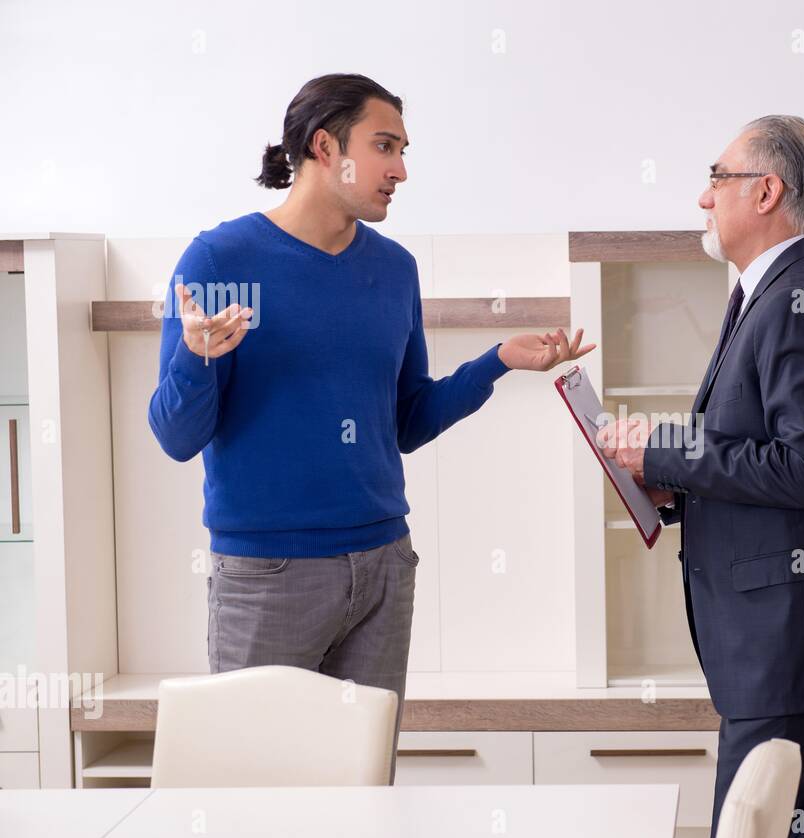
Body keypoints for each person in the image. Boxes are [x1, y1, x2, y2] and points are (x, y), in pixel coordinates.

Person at [148, 73, 593, 784]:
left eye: (403, 149)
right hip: (269, 580)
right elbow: (174, 435)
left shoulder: (393, 271)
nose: (401, 169)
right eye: (385, 146)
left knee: (362, 802)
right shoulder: (223, 262)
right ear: (325, 147)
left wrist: (497, 361)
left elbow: (406, 422)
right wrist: (198, 360)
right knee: (256, 805)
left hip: (383, 568)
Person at [598, 115, 804, 838]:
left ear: (767, 192)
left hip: (794, 642)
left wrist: (663, 450)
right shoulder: (771, 294)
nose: (703, 198)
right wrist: (675, 487)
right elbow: (763, 458)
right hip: (785, 639)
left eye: (717, 178)